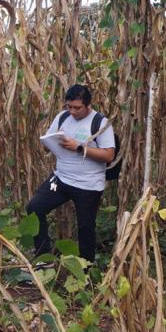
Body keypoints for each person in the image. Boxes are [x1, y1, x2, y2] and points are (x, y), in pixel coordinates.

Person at [25, 84, 116, 263]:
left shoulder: (100, 123)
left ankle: (86, 271)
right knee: (34, 208)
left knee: (85, 228)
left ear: (88, 105)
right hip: (61, 179)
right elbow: (50, 137)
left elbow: (108, 155)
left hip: (88, 185)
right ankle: (43, 258)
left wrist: (80, 147)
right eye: (69, 106)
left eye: (77, 108)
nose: (73, 111)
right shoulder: (63, 117)